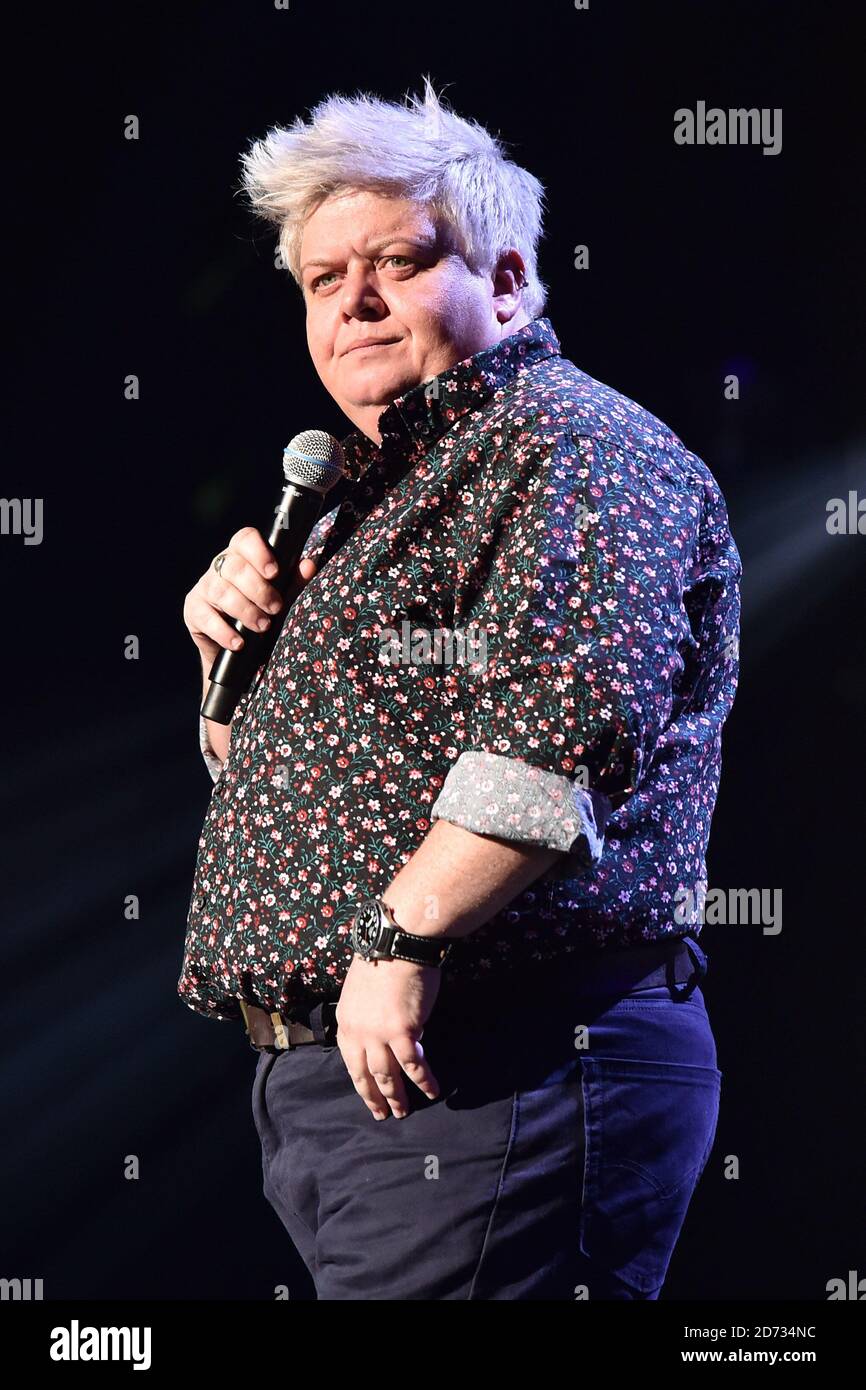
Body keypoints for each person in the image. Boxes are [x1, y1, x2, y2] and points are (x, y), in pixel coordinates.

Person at [179, 77, 741, 1300]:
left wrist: (399, 934)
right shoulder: (361, 502)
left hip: (504, 1058)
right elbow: (285, 788)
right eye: (323, 281)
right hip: (370, 1081)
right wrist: (232, 661)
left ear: (503, 277)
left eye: (392, 261)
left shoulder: (571, 446)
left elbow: (558, 727)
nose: (354, 303)